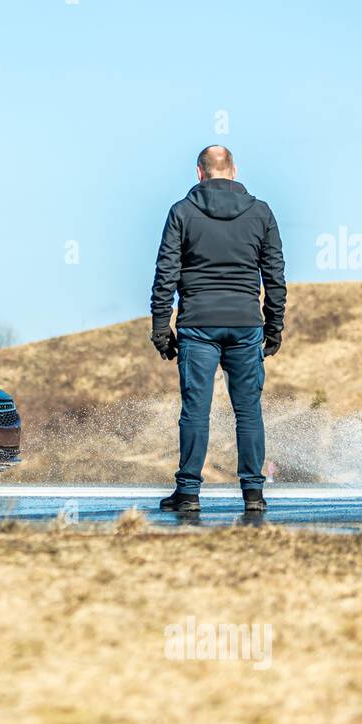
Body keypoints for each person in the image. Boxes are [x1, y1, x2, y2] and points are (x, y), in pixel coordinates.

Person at [149, 145, 286, 513]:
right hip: (245, 324)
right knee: (248, 410)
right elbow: (274, 275)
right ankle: (254, 494)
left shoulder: (181, 212)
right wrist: (274, 325)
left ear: (199, 173)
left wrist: (161, 327)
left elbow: (166, 274)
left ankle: (189, 493)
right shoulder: (261, 213)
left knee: (195, 410)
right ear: (234, 170)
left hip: (198, 323)